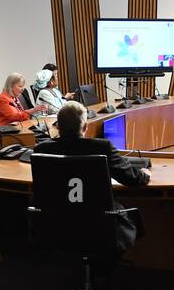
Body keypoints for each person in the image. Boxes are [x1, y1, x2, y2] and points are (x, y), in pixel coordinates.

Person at [35, 100, 149, 258]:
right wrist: (144, 174)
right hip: (100, 224)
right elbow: (132, 179)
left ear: (57, 126)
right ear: (85, 127)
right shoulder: (102, 147)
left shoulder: (42, 150)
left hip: (57, 223)